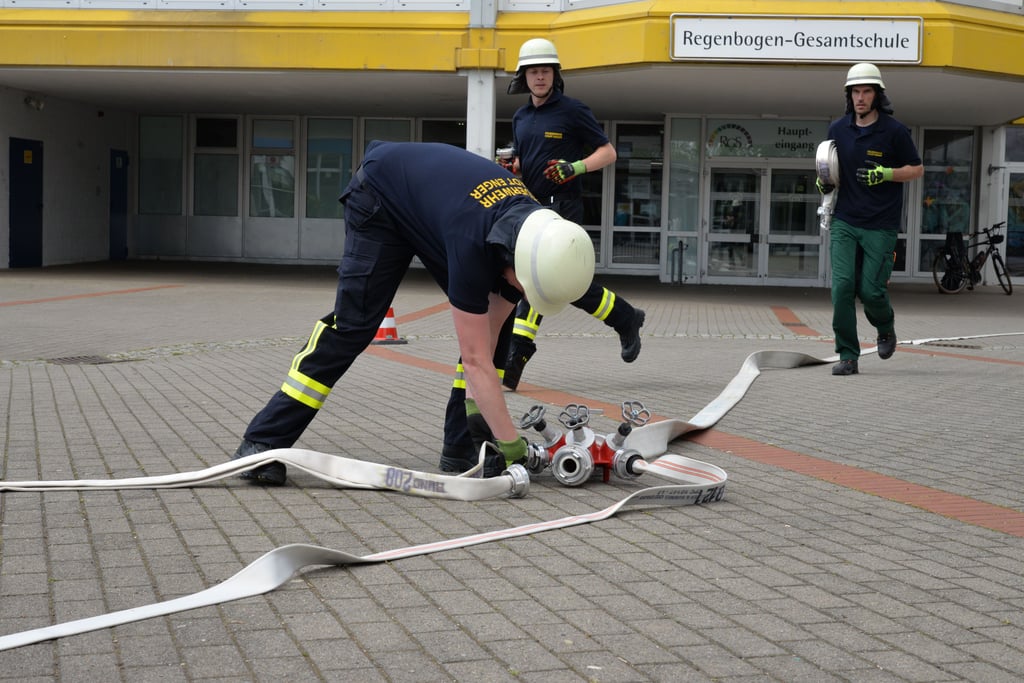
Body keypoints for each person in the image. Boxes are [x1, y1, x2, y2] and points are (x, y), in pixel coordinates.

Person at [232, 140, 595, 485]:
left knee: (496, 335)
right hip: (379, 193)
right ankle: (262, 442)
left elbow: (487, 339)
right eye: (529, 287)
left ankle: (463, 447)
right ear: (520, 260)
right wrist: (512, 445)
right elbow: (474, 361)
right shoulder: (475, 244)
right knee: (354, 325)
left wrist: (483, 427)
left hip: (434, 205)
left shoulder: (533, 237)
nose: (526, 294)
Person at [437, 37, 645, 477]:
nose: (540, 76)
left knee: (553, 282)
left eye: (546, 70)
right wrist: (514, 169)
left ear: (555, 74)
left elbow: (608, 152)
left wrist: (575, 167)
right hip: (529, 209)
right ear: (523, 77)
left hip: (562, 212)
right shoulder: (521, 116)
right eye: (533, 71)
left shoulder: (572, 111)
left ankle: (521, 353)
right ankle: (621, 318)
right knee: (537, 283)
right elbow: (526, 160)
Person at [820, 63, 923, 376]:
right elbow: (829, 167)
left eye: (866, 91)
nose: (860, 97)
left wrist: (886, 174)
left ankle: (885, 328)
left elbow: (917, 169)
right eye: (855, 91)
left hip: (881, 223)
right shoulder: (838, 129)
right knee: (842, 288)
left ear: (877, 95)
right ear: (849, 95)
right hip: (844, 219)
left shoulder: (894, 131)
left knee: (871, 291)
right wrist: (824, 182)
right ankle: (848, 355)